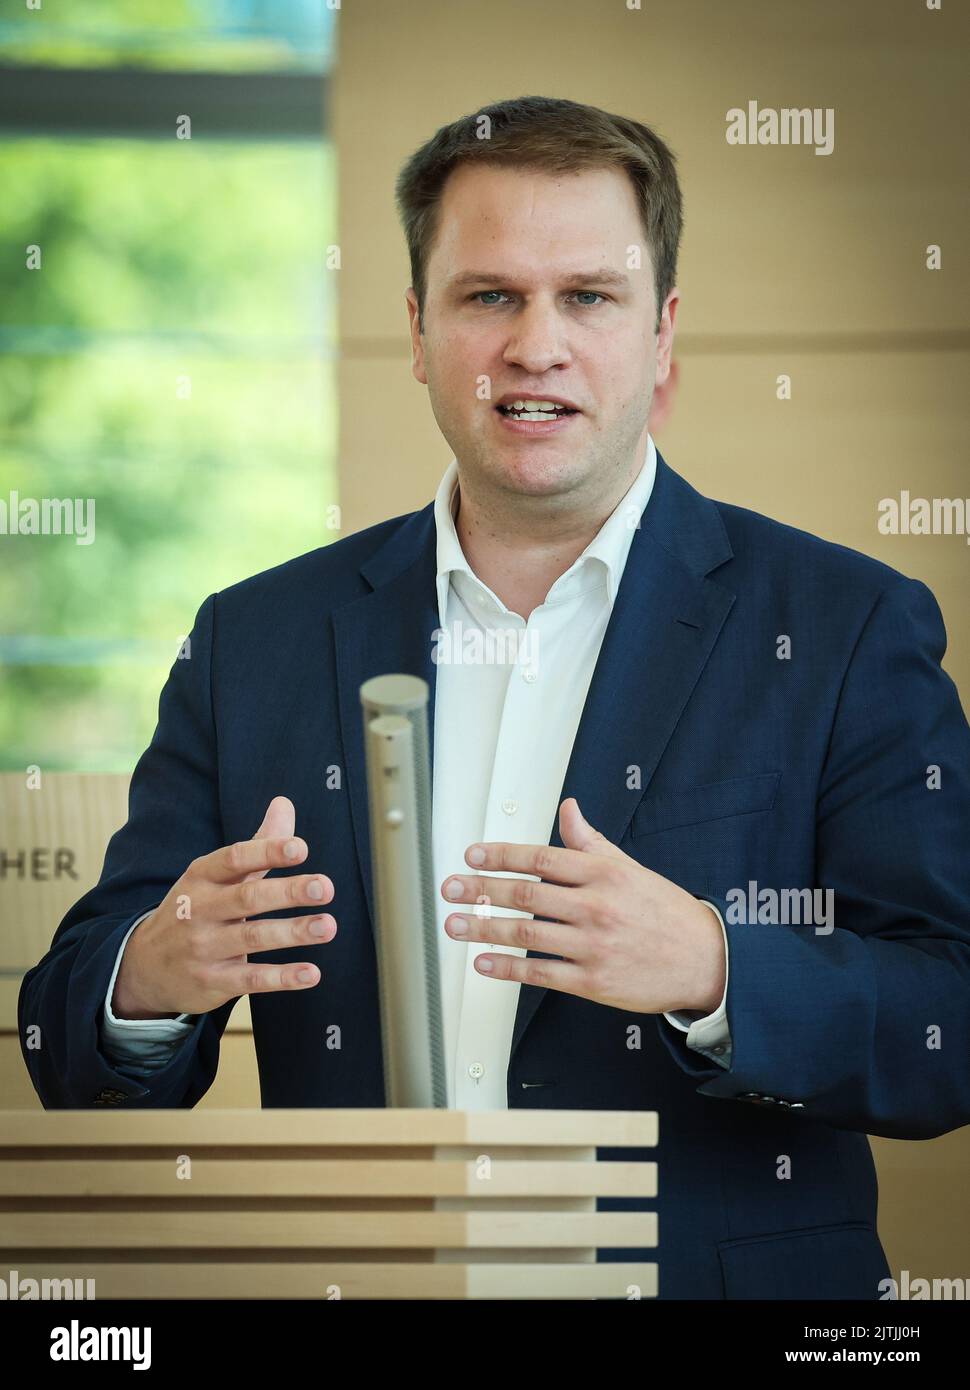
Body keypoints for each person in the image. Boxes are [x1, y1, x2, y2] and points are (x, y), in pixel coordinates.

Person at [19, 95, 970, 1301]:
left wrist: (716, 967)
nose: (536, 344)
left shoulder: (843, 626)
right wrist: (150, 972)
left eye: (588, 295)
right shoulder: (250, 640)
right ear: (417, 331)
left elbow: (952, 1019)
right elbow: (65, 1040)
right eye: (488, 297)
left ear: (662, 332)